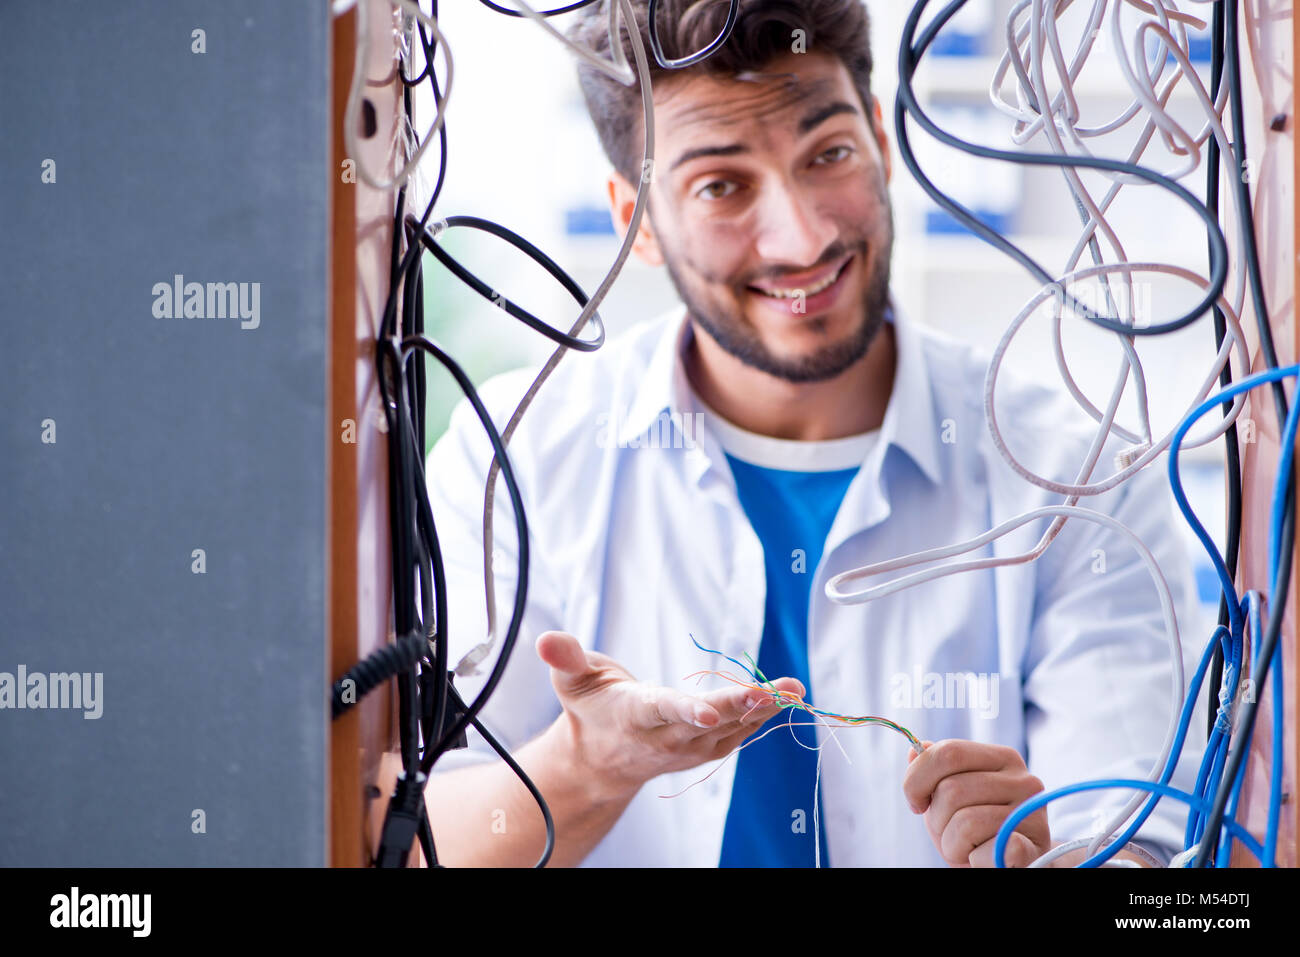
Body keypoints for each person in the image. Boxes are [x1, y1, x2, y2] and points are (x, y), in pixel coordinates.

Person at [421, 0, 1204, 867]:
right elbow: (426, 846)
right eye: (722, 185)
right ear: (635, 221)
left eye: (827, 154)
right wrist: (587, 767)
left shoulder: (1079, 477)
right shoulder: (515, 461)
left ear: (877, 138)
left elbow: (1161, 876)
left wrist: (1058, 864)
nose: (803, 237)